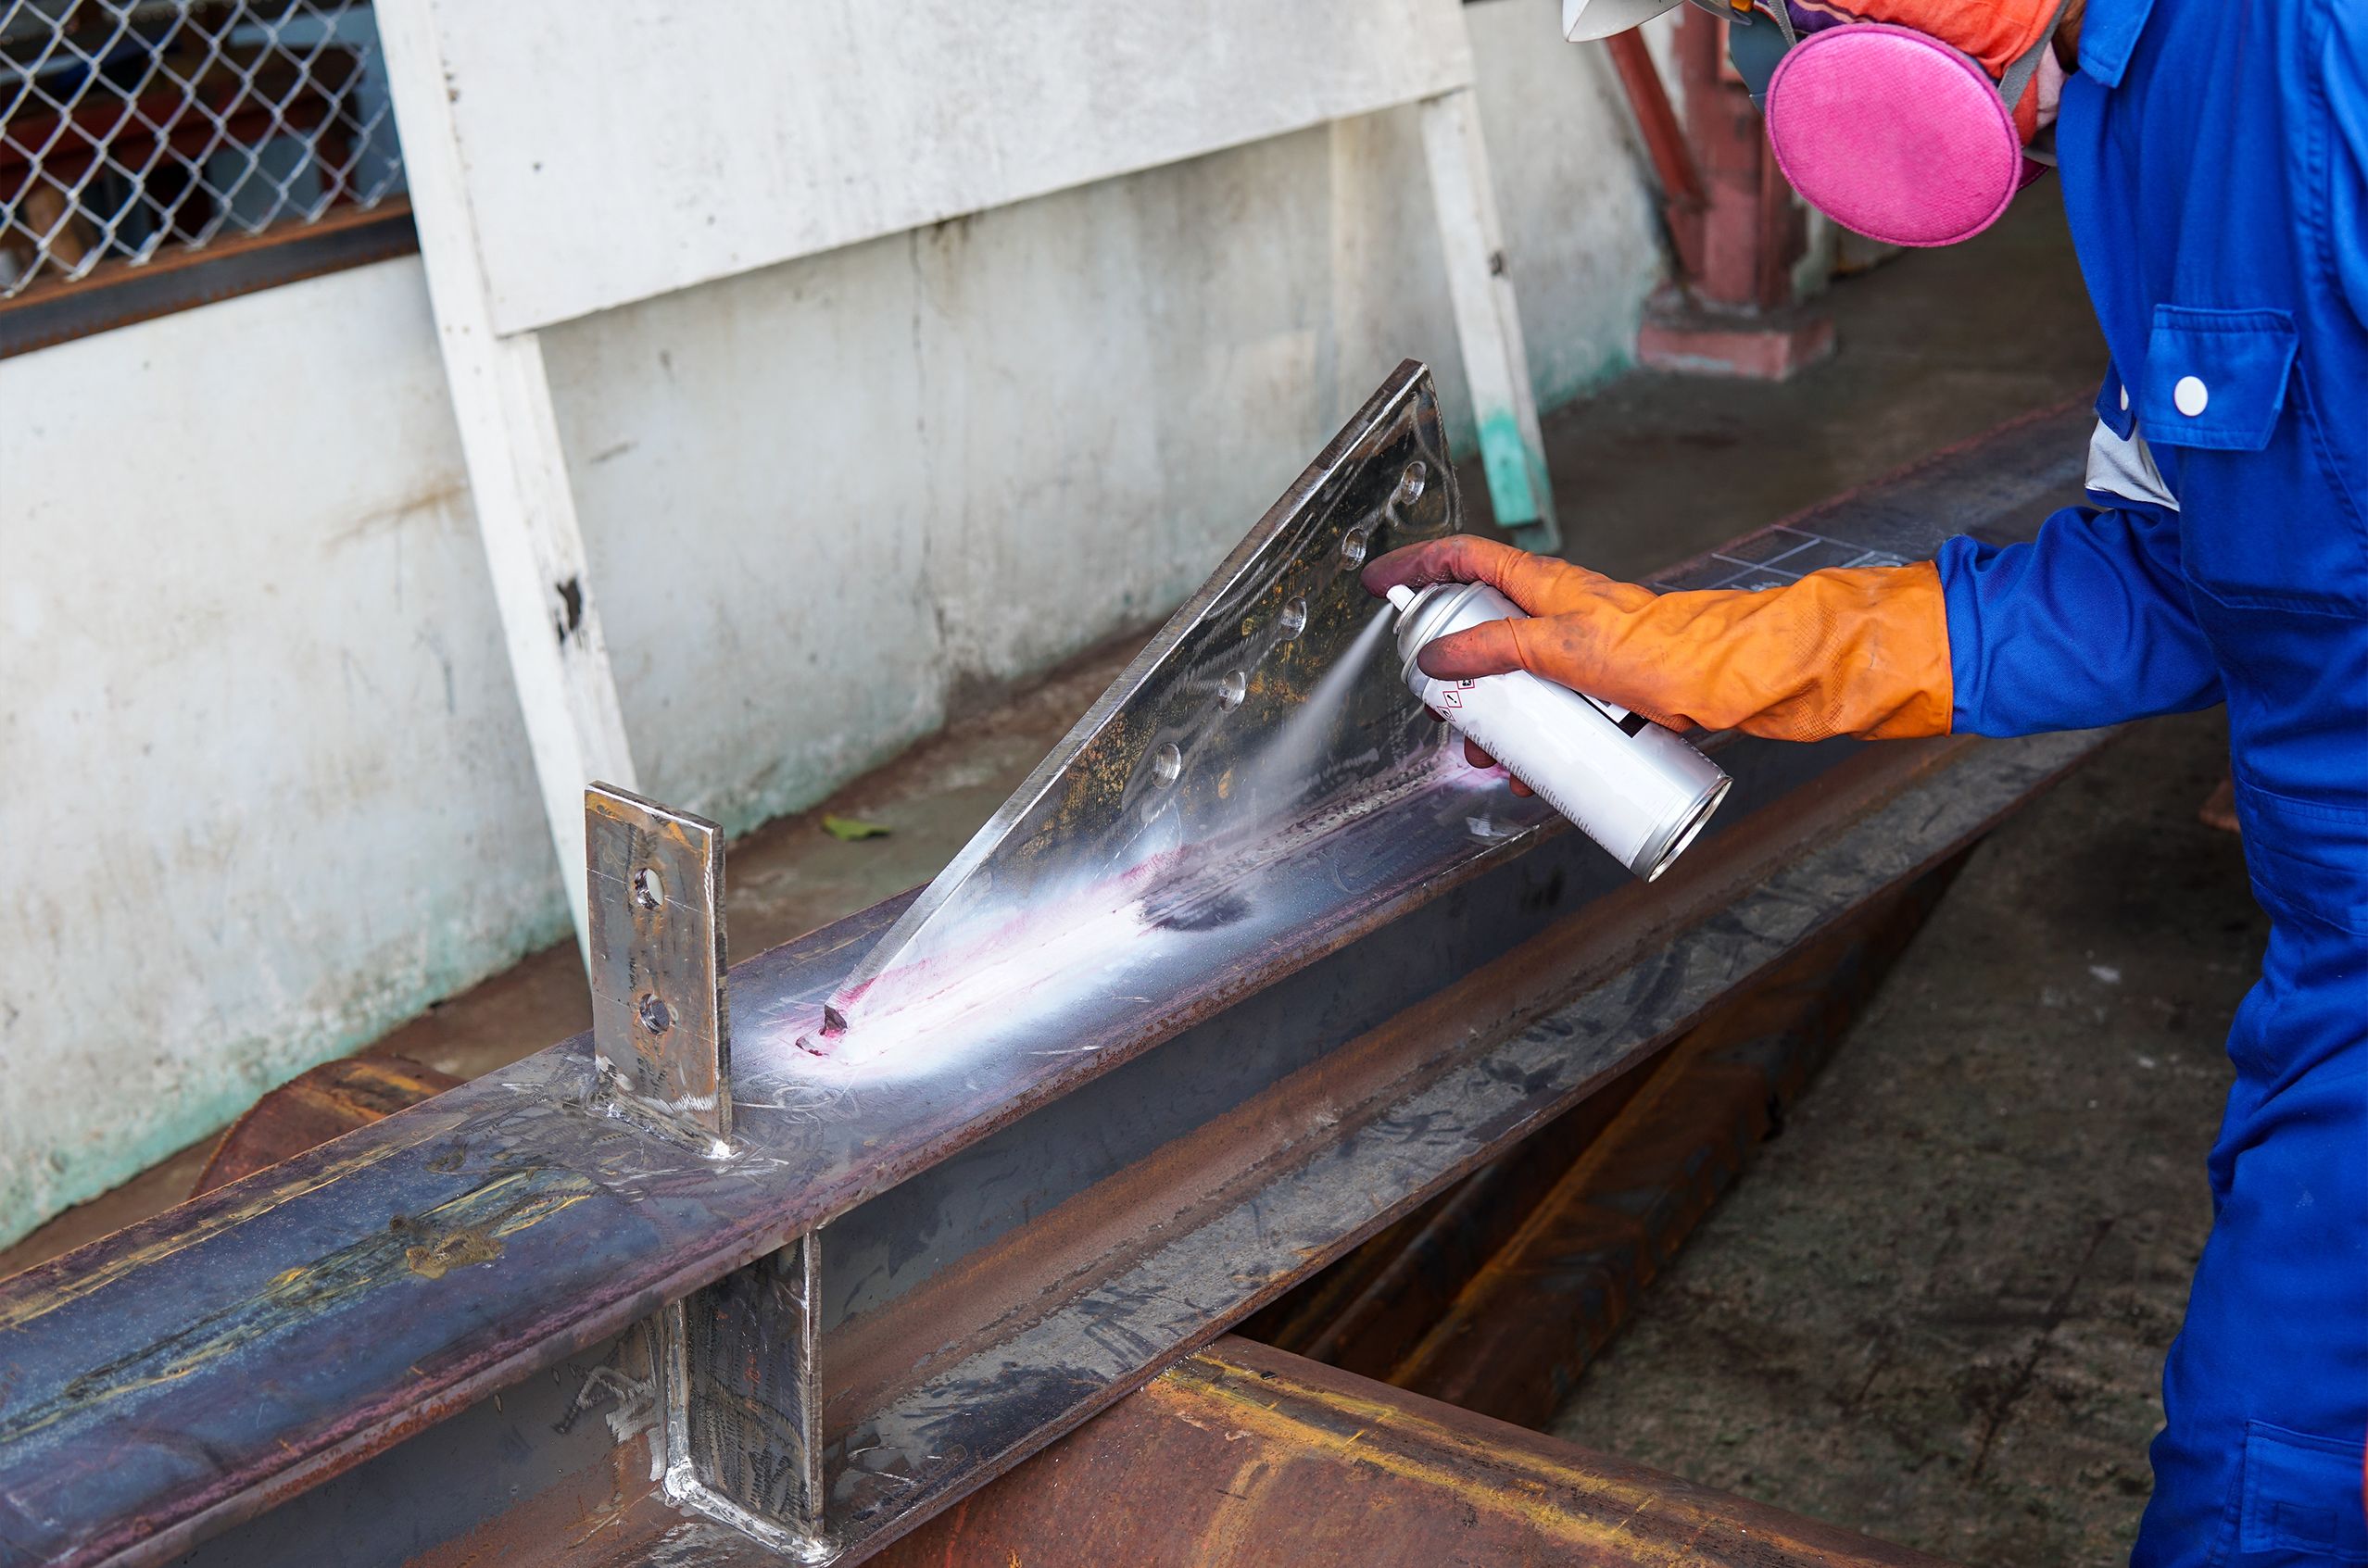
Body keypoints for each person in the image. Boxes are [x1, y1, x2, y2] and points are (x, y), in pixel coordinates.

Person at [1365, 1, 2368, 1562]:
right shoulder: (2128, 118)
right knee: (2254, 1481)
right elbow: (2175, 571)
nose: (1782, 53)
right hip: (2340, 970)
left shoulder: (2318, 54)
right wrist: (1706, 656)